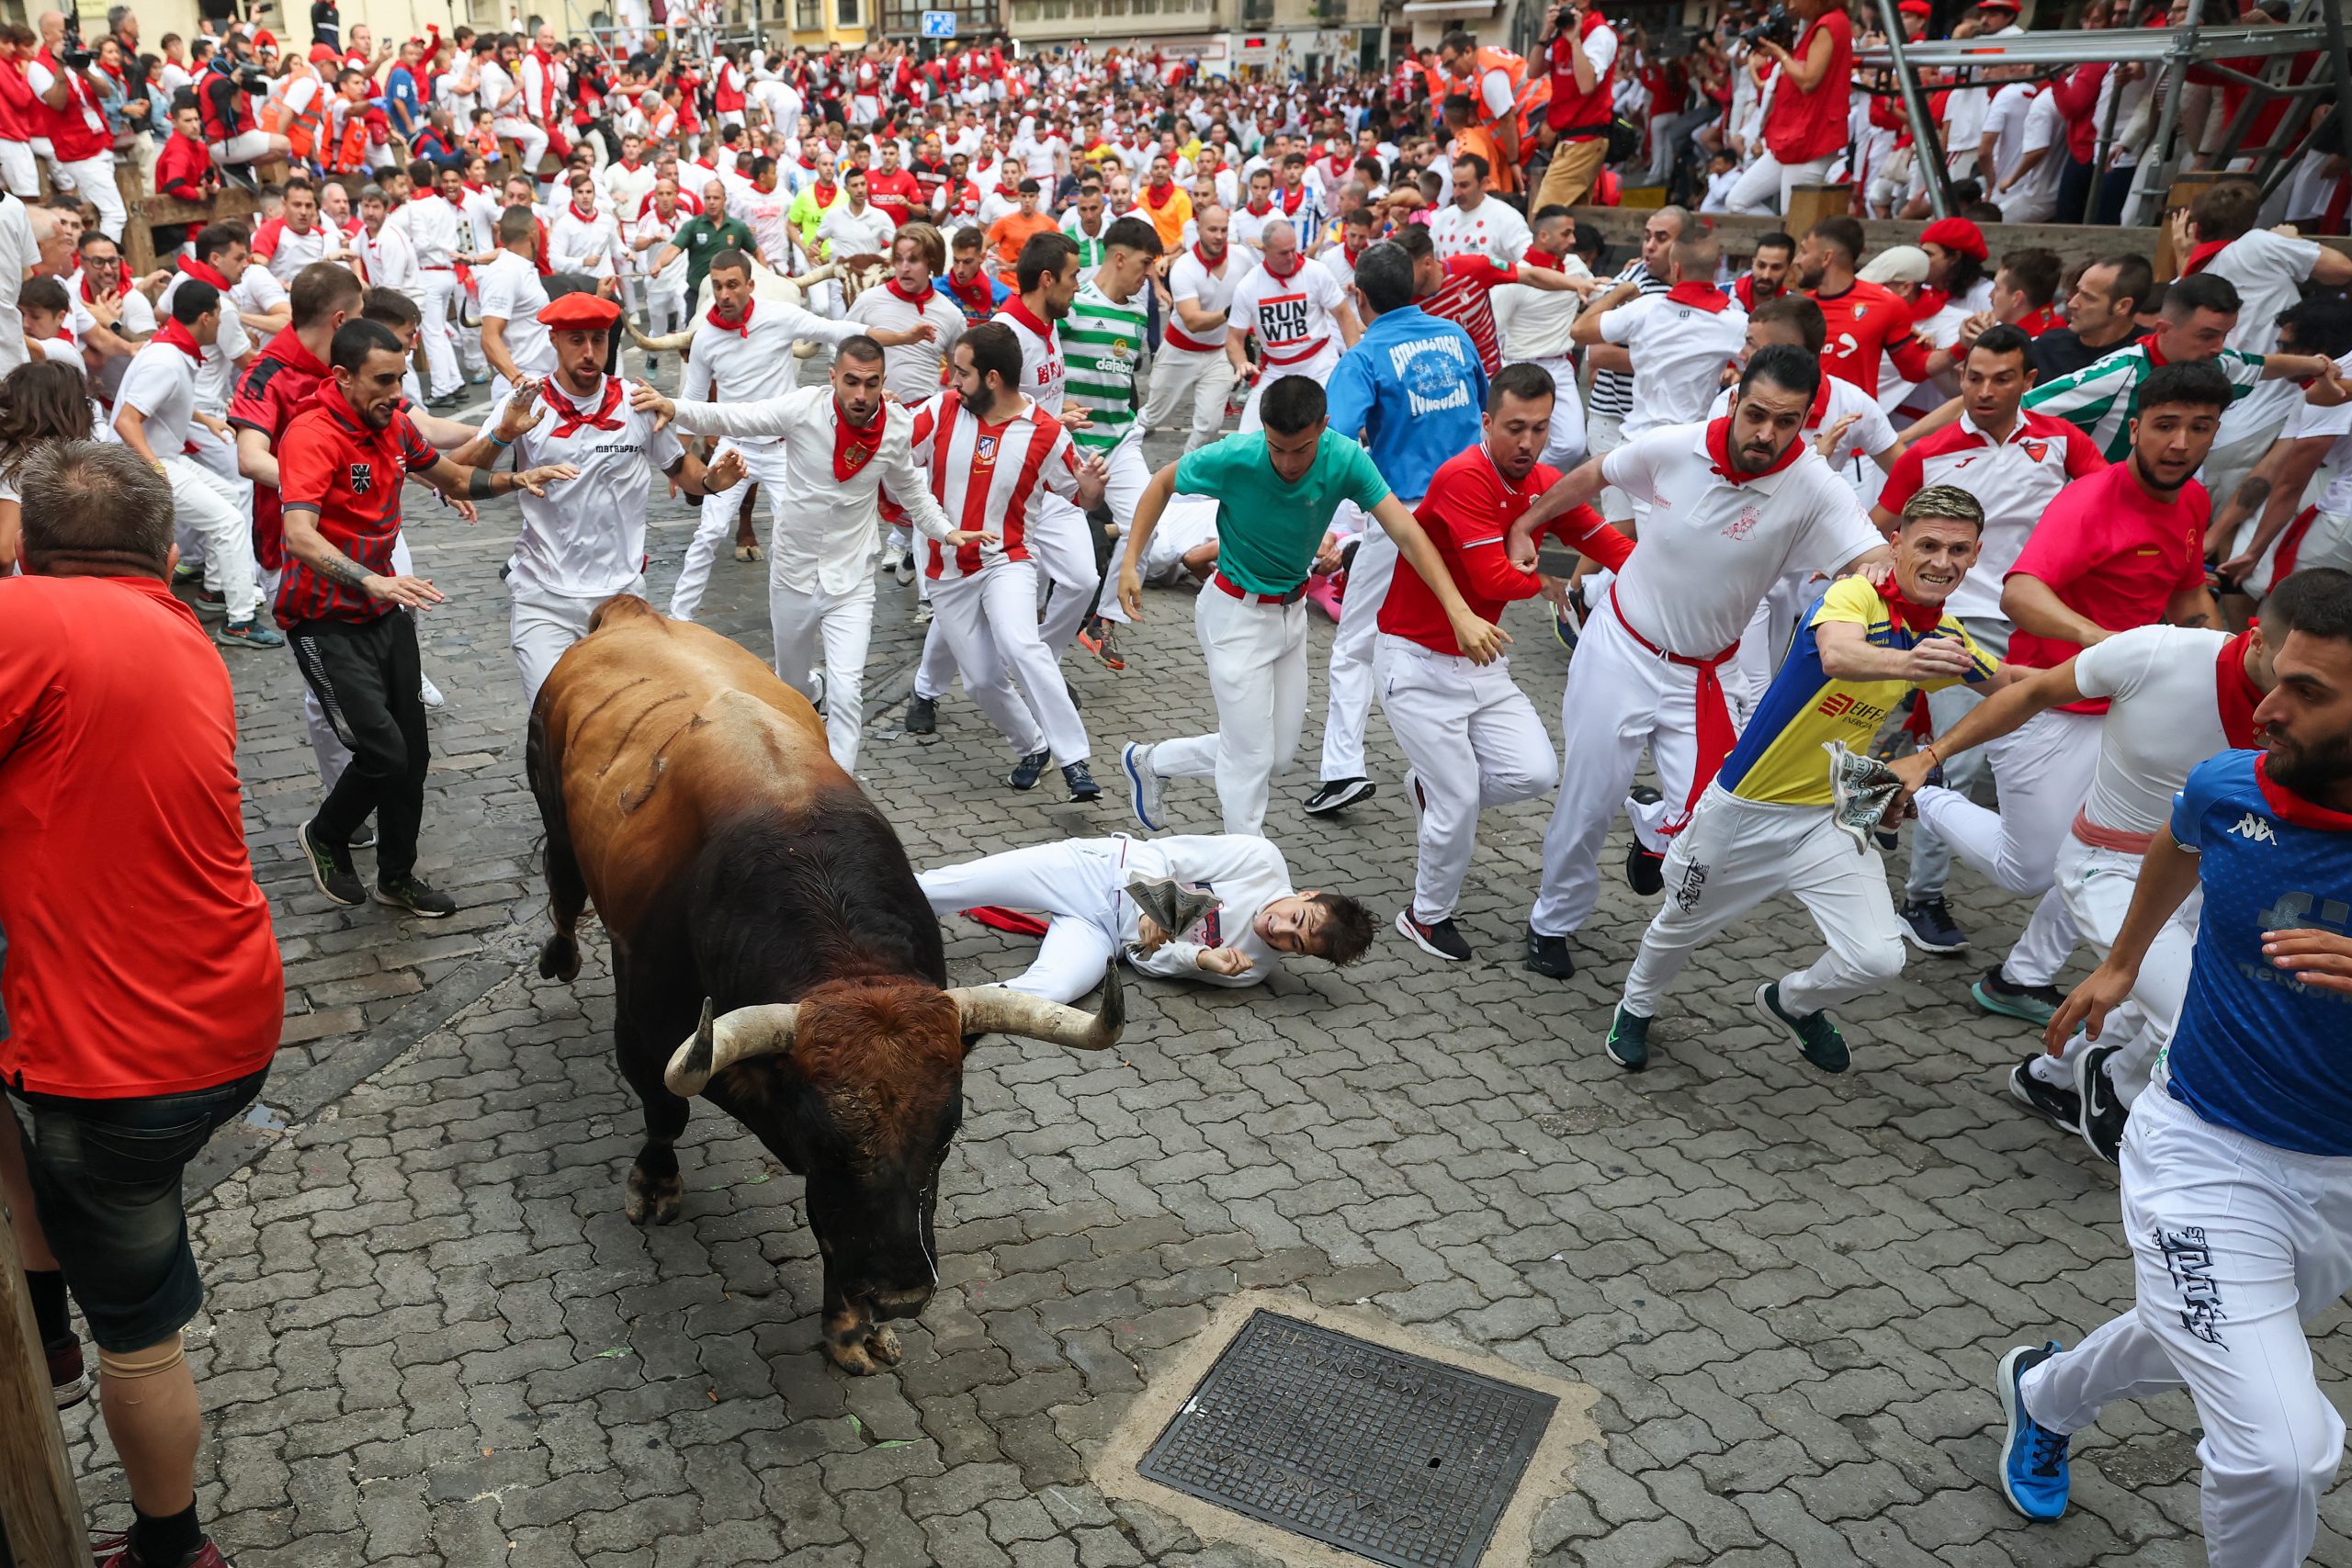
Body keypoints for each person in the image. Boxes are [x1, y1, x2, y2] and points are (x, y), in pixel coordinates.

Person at [1995, 566, 2352, 1568]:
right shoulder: (2229, 785)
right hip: (2205, 1153)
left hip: (2337, 1181)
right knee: (2280, 1451)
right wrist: (2118, 963)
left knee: (2198, 1331)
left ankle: (2041, 1392)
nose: (2267, 708)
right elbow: (2178, 840)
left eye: (2308, 695)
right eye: (2273, 674)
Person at [0, 440, 283, 1568]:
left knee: (146, 1332)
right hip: (231, 1013)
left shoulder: (28, 624)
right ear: (166, 556)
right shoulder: (179, 630)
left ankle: (173, 1546)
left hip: (123, 1063)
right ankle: (47, 1319)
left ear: (28, 547)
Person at [1509, 344, 1890, 981]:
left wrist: (1887, 578)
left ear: (1805, 421)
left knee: (1709, 819)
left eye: (1787, 421)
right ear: (1735, 398)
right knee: (1588, 800)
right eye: (1758, 415)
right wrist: (1528, 524)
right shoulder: (1675, 445)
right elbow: (1596, 472)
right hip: (1622, 650)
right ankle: (1553, 921)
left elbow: (1868, 555)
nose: (1767, 434)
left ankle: (1654, 828)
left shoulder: (1813, 485)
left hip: (1705, 674)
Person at [1609, 485, 2010, 1070]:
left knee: (1879, 959)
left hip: (1836, 807)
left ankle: (1790, 1002)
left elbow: (2012, 685)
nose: (1942, 562)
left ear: (1975, 555)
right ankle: (1636, 1007)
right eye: (1927, 545)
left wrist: (2100, 665)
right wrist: (1911, 662)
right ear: (1895, 545)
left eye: (1958, 550)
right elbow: (1838, 656)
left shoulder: (1943, 632)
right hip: (1746, 805)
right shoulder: (1856, 595)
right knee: (1680, 921)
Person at [1912, 360, 2233, 1032]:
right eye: (2166, 426)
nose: (2180, 443)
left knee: (2123, 856)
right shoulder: (2091, 499)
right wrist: (2112, 647)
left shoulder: (2193, 501)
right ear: (2136, 427)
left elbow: (2184, 590)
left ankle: (2019, 975)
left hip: (2126, 712)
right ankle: (1915, 788)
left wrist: (2219, 651)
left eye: (2200, 428)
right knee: (2029, 870)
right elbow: (2019, 593)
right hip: (2046, 705)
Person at [1114, 374, 1508, 837]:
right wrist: (1129, 564)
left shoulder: (1344, 457)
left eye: (1300, 449)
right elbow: (1162, 483)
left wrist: (1458, 610)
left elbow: (1406, 532)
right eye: (1276, 448)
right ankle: (1251, 881)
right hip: (1233, 615)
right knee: (1250, 759)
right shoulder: (1236, 456)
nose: (1287, 462)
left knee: (1276, 756)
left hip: (1292, 615)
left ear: (1324, 426)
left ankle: (1150, 761)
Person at [278, 319, 571, 918]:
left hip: (387, 611)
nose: (396, 390)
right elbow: (299, 536)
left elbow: (455, 475)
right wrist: (372, 578)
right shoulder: (312, 434)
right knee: (382, 752)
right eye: (383, 380)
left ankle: (397, 875)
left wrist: (517, 477)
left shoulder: (394, 425)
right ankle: (327, 833)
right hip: (327, 619)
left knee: (413, 753)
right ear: (341, 377)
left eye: (403, 376)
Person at [1383, 363, 1631, 961]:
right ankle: (1425, 914)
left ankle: (1432, 793)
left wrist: (1663, 578)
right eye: (1515, 427)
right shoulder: (1464, 476)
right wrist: (1545, 579)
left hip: (1484, 662)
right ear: (1487, 422)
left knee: (1535, 773)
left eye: (1541, 428)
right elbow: (1490, 575)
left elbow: (1608, 543)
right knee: (1460, 800)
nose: (1528, 442)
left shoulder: (1545, 479)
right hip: (1415, 662)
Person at [1876, 324, 2109, 954]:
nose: (1983, 390)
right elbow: (1875, 530)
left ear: (2028, 381)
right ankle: (1921, 898)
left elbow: (2110, 505)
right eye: (1972, 377)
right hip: (1962, 621)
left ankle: (1885, 774)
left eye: (2001, 377)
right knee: (1963, 760)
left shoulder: (2065, 442)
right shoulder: (1931, 451)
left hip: (2042, 621)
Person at [632, 333, 954, 771]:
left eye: (872, 384)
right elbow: (738, 415)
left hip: (851, 578)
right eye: (852, 382)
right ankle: (809, 694)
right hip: (793, 574)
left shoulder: (895, 427)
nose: (861, 395)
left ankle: (840, 792)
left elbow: (913, 490)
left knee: (848, 692)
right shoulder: (803, 409)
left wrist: (946, 532)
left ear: (883, 383)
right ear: (833, 377)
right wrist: (674, 407)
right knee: (792, 688)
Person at [1300, 240, 1490, 819]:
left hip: (1401, 514)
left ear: (1358, 295)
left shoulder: (1361, 357)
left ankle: (1343, 770)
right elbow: (1479, 405)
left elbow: (1331, 447)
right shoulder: (1456, 336)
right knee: (1460, 635)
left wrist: (1324, 525)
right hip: (1469, 507)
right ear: (1416, 285)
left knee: (1356, 645)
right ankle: (1469, 757)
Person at [478, 294, 741, 706]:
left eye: (598, 340)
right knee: (551, 722)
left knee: (626, 727)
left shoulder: (635, 402)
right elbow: (460, 476)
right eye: (576, 340)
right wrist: (503, 436)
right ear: (554, 340)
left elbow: (684, 473)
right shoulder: (525, 404)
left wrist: (712, 481)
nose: (589, 353)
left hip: (621, 602)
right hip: (543, 599)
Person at [899, 322, 1108, 799]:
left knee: (1021, 645)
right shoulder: (941, 409)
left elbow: (1083, 497)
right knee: (981, 682)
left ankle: (1075, 761)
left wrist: (1095, 485)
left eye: (962, 373)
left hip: (1006, 561)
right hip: (946, 570)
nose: (953, 381)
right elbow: (895, 447)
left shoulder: (1047, 433)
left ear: (992, 378)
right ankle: (1032, 747)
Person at [664, 247, 929, 623]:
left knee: (795, 538)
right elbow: (692, 399)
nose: (724, 295)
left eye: (733, 286)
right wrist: (678, 464)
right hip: (734, 446)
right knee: (708, 533)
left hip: (783, 449)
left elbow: (839, 331)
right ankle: (679, 621)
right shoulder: (705, 336)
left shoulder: (779, 317)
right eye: (718, 286)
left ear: (750, 286)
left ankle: (793, 621)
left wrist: (902, 338)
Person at [917, 835, 1377, 998]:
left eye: (1294, 944)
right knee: (944, 887)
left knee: (1052, 991)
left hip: (1101, 936)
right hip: (1096, 871)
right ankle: (844, 896)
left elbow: (1143, 959)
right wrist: (1150, 905)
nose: (1279, 931)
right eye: (1297, 919)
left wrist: (1199, 962)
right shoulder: (1260, 859)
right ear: (1307, 893)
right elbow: (1161, 855)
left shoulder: (1250, 970)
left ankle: (927, 1013)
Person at [112, 279, 283, 650]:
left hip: (161, 456)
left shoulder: (173, 348)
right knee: (229, 520)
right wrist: (154, 470)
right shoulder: (167, 359)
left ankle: (219, 590)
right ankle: (240, 621)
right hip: (142, 462)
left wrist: (206, 421)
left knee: (228, 493)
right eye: (220, 316)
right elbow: (126, 421)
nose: (221, 323)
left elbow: (165, 399)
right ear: (206, 318)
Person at [1226, 218, 1361, 434]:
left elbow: (1344, 315)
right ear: (1266, 250)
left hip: (1320, 363)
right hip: (1277, 369)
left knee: (1343, 429)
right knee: (1246, 437)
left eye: (1293, 250)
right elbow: (1234, 338)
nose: (1291, 258)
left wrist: (1355, 358)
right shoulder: (1249, 286)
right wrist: (1241, 362)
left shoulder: (1316, 272)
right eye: (1283, 253)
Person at [1724, 0, 1854, 216]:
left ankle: (1793, 245)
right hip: (1792, 135)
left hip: (1812, 135)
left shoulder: (1831, 23)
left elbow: (1808, 81)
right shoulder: (1817, 24)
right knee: (1737, 201)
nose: (1791, 6)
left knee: (1793, 218)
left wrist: (1779, 53)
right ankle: (1779, 245)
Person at [1138, 203, 1239, 454]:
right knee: (1151, 417)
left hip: (1218, 353)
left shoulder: (1242, 258)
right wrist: (1232, 312)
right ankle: (1120, 451)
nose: (1219, 236)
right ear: (1198, 229)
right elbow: (1193, 321)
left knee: (1209, 426)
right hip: (1179, 351)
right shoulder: (1184, 267)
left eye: (1224, 230)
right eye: (1213, 229)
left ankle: (1185, 473)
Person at [2028, 254, 2151, 383]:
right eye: (2077, 291)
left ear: (2123, 306)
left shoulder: (2146, 356)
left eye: (2088, 297)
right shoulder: (2047, 347)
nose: (2072, 304)